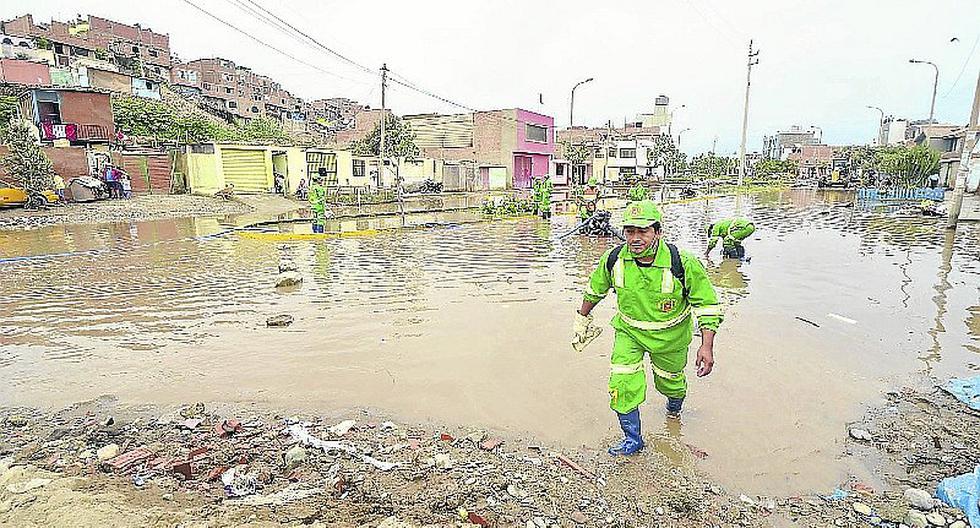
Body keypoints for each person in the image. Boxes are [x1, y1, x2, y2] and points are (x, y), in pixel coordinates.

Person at [573, 200, 723, 456]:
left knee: (671, 384)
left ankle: (674, 410)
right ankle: (633, 439)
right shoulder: (614, 259)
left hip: (671, 339)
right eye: (630, 231)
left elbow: (707, 305)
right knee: (622, 382)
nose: (635, 238)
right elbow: (595, 289)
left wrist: (706, 346)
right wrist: (581, 319)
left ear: (658, 232)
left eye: (643, 231)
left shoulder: (682, 263)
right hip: (629, 334)